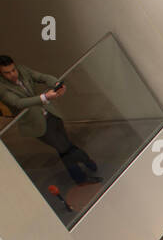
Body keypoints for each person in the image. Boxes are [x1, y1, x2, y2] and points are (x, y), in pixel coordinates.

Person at [0, 55, 100, 185]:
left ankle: (80, 176)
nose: (13, 74)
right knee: (65, 147)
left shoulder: (22, 70)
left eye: (13, 70)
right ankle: (85, 163)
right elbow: (18, 103)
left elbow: (42, 77)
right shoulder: (2, 87)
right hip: (35, 123)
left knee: (65, 147)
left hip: (50, 114)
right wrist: (44, 97)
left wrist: (57, 84)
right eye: (7, 73)